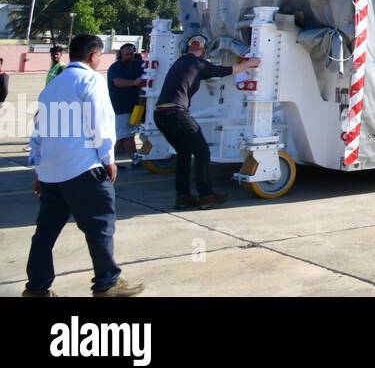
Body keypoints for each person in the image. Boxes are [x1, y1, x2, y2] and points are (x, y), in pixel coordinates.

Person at [24, 33, 143, 297]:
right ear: (93, 55)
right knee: (100, 226)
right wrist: (109, 159)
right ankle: (107, 283)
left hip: (52, 174)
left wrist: (39, 170)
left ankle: (36, 288)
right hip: (83, 169)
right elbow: (101, 123)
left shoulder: (52, 86)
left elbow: (39, 131)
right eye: (100, 55)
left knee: (44, 233)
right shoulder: (90, 80)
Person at [154, 36, 260, 210]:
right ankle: (206, 196)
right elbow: (223, 70)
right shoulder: (197, 63)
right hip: (177, 114)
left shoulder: (181, 63)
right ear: (203, 51)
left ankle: (183, 197)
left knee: (184, 153)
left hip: (160, 115)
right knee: (202, 152)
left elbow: (206, 74)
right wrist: (249, 63)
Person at [107, 44, 147, 165]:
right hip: (121, 107)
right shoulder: (115, 67)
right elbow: (118, 82)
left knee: (124, 136)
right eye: (126, 55)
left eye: (131, 54)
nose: (129, 57)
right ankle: (135, 160)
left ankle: (107, 161)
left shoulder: (136, 64)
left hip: (135, 106)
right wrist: (135, 83)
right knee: (126, 137)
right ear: (120, 55)